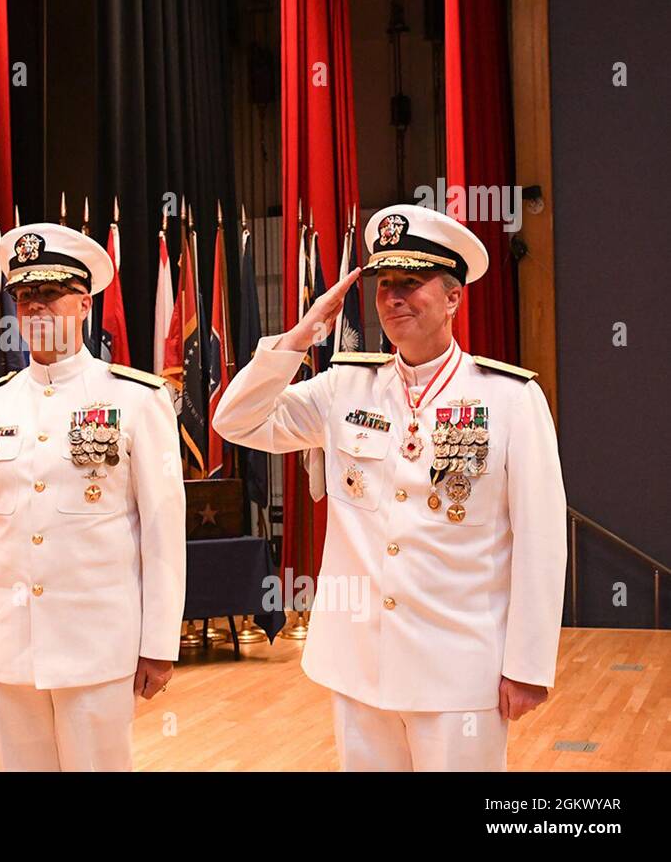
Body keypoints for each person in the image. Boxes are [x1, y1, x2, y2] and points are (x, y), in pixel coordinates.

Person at [212, 204, 567, 771]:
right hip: (359, 667)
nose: (394, 297)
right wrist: (301, 335)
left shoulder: (508, 399)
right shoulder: (347, 387)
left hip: (458, 672)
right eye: (384, 285)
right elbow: (235, 421)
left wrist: (526, 666)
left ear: (453, 296)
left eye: (412, 282)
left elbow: (542, 542)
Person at [0, 222, 186, 771]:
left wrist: (159, 642)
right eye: (23, 295)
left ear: (84, 303)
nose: (34, 307)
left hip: (96, 644)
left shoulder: (135, 399)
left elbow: (162, 530)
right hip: (6, 645)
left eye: (50, 292)